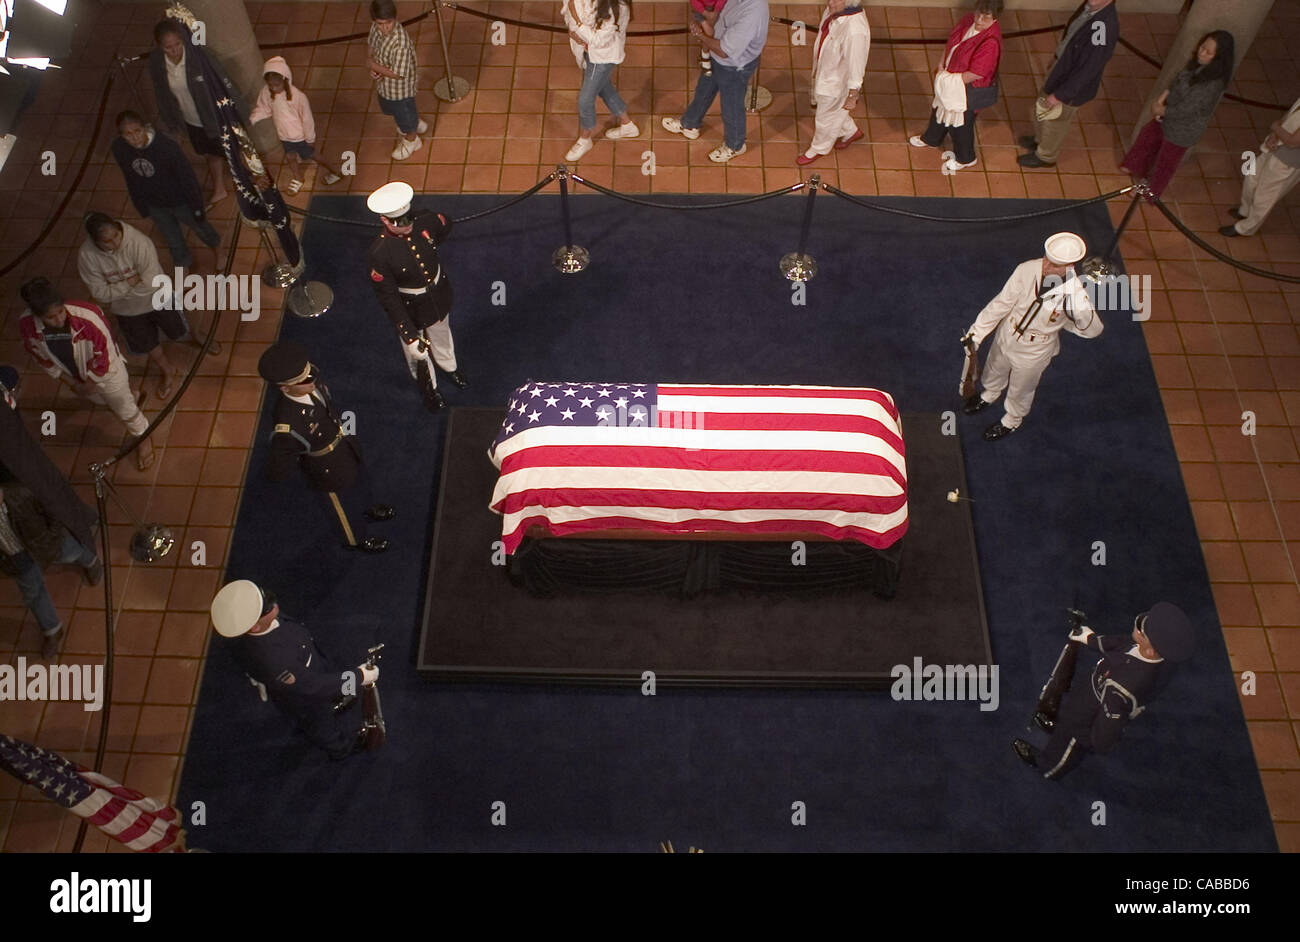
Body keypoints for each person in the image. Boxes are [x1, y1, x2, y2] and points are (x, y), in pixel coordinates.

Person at [1013, 602, 1195, 780]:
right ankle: (1061, 727)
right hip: (1090, 693)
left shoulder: (1122, 689)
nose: (1138, 623)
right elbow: (1117, 643)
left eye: (1142, 629)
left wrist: (1081, 735)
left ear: (1150, 650)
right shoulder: (1144, 646)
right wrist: (1089, 638)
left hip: (1088, 718)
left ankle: (1048, 766)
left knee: (1067, 745)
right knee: (1069, 715)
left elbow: (1103, 738)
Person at [210, 580, 378, 760]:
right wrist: (359, 677)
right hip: (307, 700)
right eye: (267, 608)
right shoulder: (274, 660)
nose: (274, 604)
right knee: (322, 726)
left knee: (331, 683)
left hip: (313, 666)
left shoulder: (261, 623)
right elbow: (314, 686)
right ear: (254, 627)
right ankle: (341, 749)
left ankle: (339, 697)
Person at [960, 232, 1103, 441]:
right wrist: (978, 332)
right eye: (1046, 259)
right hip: (1007, 332)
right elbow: (1002, 303)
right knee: (994, 367)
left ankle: (1012, 419)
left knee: (1022, 387)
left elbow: (1093, 329)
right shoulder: (1027, 269)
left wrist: (1067, 321)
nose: (1046, 267)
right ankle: (990, 394)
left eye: (1054, 265)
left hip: (1034, 349)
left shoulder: (1075, 295)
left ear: (1070, 266)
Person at [257, 342, 392, 553]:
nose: (312, 380)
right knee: (342, 509)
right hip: (326, 467)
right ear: (285, 388)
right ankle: (355, 539)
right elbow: (279, 465)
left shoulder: (313, 383)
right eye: (304, 380)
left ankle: (368, 507)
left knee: (360, 481)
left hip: (344, 445)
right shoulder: (288, 423)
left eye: (310, 373)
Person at [0, 393, 103, 661]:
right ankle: (51, 629)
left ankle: (90, 559)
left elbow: (48, 510)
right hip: (11, 553)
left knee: (66, 551)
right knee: (31, 589)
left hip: (36, 533)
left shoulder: (18, 491)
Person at [18, 278, 156, 471]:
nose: (59, 320)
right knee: (101, 400)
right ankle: (131, 395)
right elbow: (40, 356)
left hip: (107, 372)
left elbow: (105, 352)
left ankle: (143, 437)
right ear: (37, 316)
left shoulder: (88, 317)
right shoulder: (26, 325)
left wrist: (90, 382)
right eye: (51, 317)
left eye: (61, 311)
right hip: (75, 376)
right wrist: (71, 382)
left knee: (124, 410)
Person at [77, 212, 214, 401]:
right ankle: (167, 371)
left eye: (116, 235)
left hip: (159, 297)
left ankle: (197, 336)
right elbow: (99, 294)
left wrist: (117, 290)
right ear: (95, 241)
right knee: (148, 344)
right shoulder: (87, 257)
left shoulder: (139, 242)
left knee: (180, 326)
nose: (115, 243)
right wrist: (130, 283)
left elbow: (149, 283)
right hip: (127, 312)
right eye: (107, 241)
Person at [366, 181, 469, 413]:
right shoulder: (379, 254)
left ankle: (449, 366)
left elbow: (444, 225)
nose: (406, 226)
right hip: (410, 306)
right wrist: (409, 335)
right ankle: (430, 387)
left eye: (408, 218)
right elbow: (388, 297)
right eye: (398, 222)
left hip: (437, 294)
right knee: (416, 354)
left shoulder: (424, 220)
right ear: (384, 220)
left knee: (442, 332)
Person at [147, 17, 247, 209]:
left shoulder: (200, 56)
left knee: (231, 148)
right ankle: (219, 187)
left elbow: (224, 82)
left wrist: (239, 111)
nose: (174, 50)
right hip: (191, 120)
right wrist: (171, 121)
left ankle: (243, 176)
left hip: (214, 116)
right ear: (160, 46)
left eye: (177, 44)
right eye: (168, 47)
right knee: (209, 152)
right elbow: (161, 93)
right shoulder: (156, 62)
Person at [1120, 31, 1234, 198]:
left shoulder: (1212, 85)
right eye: (1202, 47)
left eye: (1208, 52)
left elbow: (1186, 110)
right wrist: (1161, 100)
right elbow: (1175, 81)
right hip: (1167, 115)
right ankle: (1135, 166)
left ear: (1218, 59)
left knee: (1164, 163)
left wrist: (1161, 110)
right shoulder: (1196, 65)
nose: (1202, 53)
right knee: (1147, 137)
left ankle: (1149, 192)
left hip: (1182, 130)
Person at [111, 110, 221, 273]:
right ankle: (183, 265)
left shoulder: (166, 147)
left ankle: (219, 252)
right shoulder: (119, 149)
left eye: (137, 131)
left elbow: (187, 178)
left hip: (181, 201)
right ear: (121, 136)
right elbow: (130, 177)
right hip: (155, 204)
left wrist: (197, 206)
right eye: (128, 134)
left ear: (145, 127)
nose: (134, 137)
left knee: (201, 228)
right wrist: (141, 204)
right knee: (172, 239)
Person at [661, 0, 769, 163]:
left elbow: (725, 51)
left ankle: (735, 145)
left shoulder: (752, 15)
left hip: (734, 67)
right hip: (718, 57)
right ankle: (690, 124)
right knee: (703, 90)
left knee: (731, 108)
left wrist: (700, 35)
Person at [1017, 0, 1118, 169]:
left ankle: (1046, 156)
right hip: (1062, 70)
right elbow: (1071, 36)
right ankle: (1040, 141)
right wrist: (1057, 57)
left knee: (1055, 121)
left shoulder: (1103, 27)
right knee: (1043, 109)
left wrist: (1060, 95)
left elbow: (1089, 69)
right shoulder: (1089, 8)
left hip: (1070, 86)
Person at [907, 0, 1002, 172]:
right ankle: (932, 138)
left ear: (995, 18)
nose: (979, 20)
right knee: (940, 107)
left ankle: (966, 158)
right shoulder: (967, 20)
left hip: (967, 89)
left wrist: (950, 81)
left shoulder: (991, 42)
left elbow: (977, 72)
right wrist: (942, 65)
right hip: (951, 78)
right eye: (978, 13)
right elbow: (951, 44)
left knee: (961, 124)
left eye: (986, 17)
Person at [248, 57, 344, 195]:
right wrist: (253, 119)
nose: (274, 88)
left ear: (285, 79)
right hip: (284, 136)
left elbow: (307, 119)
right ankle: (298, 178)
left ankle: (335, 171)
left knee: (314, 156)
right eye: (271, 85)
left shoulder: (298, 97)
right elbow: (263, 108)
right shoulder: (267, 92)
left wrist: (310, 138)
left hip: (300, 137)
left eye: (277, 85)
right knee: (290, 157)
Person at [562, 0, 639, 163]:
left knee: (585, 100)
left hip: (602, 59)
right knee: (604, 88)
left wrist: (577, 22)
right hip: (589, 53)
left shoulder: (617, 8)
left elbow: (597, 40)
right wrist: (574, 29)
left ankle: (585, 139)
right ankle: (627, 124)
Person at [796, 0, 869, 167]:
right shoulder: (836, 11)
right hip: (826, 73)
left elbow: (857, 65)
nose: (830, 2)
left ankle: (819, 148)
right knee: (835, 111)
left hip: (836, 84)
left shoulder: (855, 31)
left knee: (825, 117)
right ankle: (850, 131)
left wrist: (852, 95)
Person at [1221, 94, 1300, 238]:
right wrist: (1274, 135)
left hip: (1287, 161)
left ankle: (1245, 228)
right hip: (1274, 147)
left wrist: (1275, 127)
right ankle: (1245, 210)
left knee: (1264, 196)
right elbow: (1289, 115)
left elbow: (1292, 142)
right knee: (1251, 177)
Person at [367, 0, 426, 161]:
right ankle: (413, 121)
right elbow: (372, 44)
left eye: (389, 23)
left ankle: (412, 139)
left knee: (403, 112)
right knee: (389, 108)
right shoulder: (375, 29)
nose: (385, 28)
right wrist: (372, 63)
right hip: (385, 87)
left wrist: (374, 66)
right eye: (380, 24)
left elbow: (399, 74)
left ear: (394, 19)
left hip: (401, 90)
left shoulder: (401, 44)